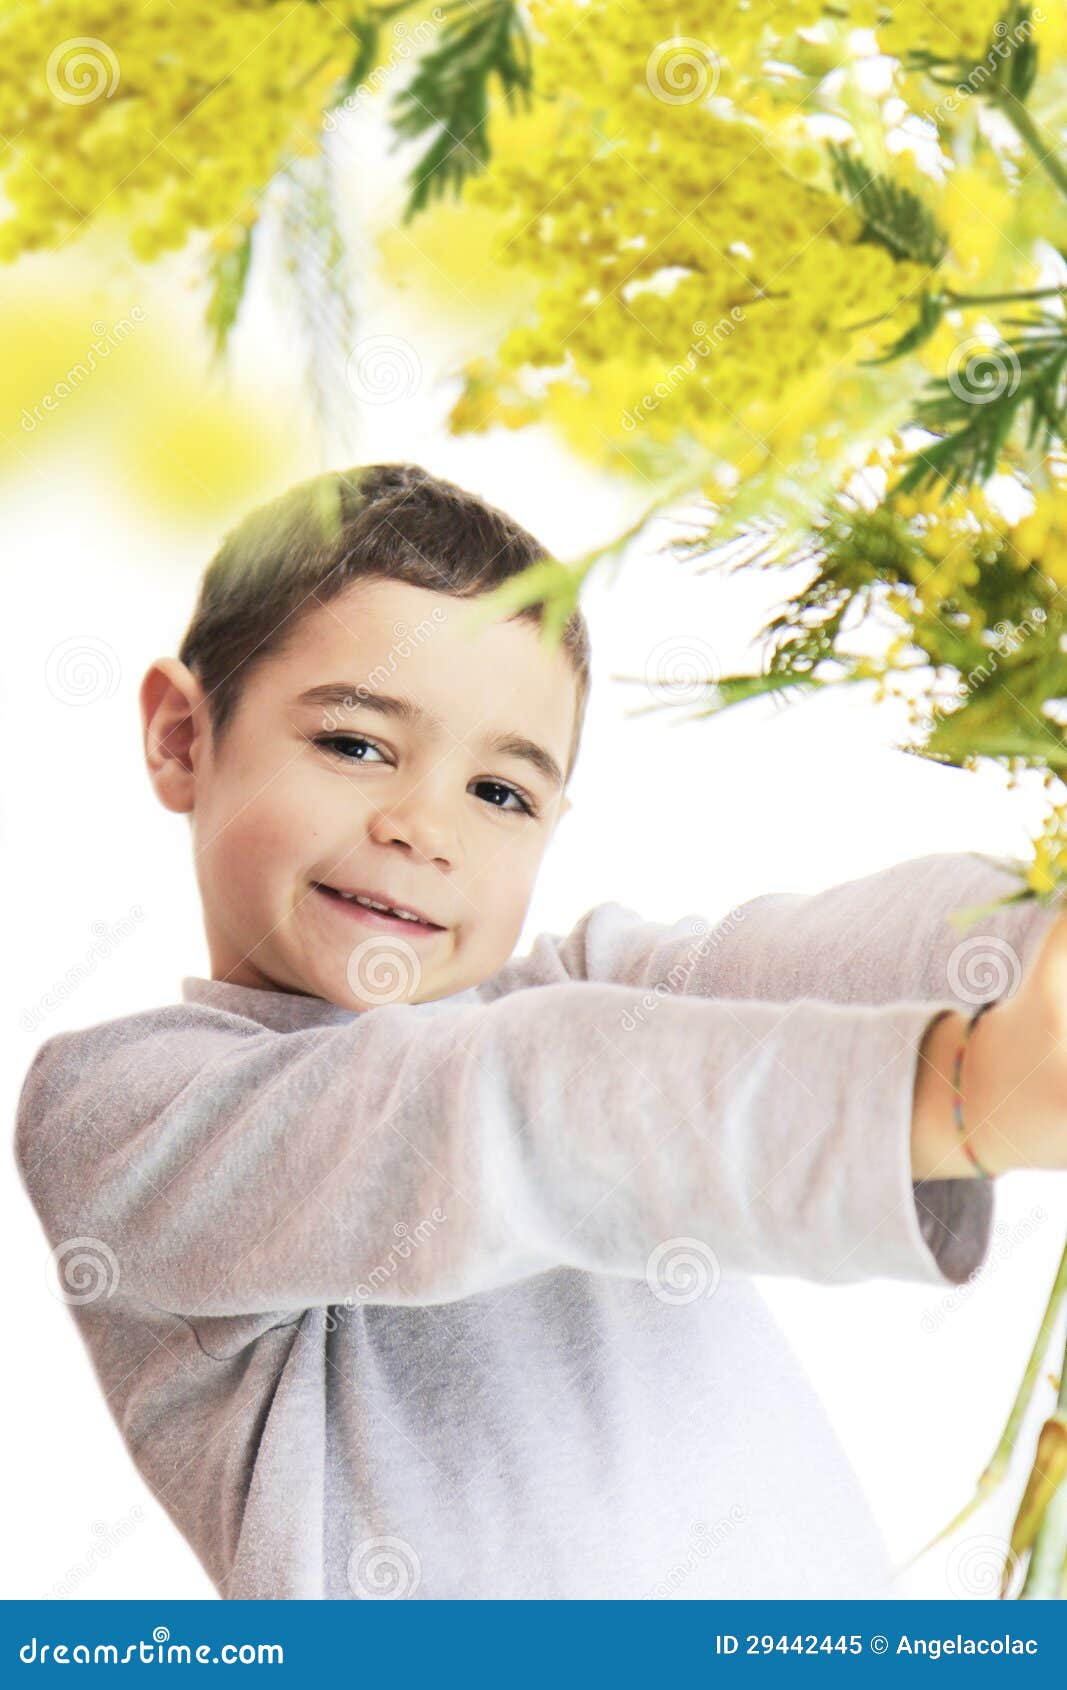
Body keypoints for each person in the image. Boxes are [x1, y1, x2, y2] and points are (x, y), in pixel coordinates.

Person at [14, 461, 1066, 1600]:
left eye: (499, 793)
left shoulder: (574, 994)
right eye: (355, 744)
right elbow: (505, 1110)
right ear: (182, 735)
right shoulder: (121, 1110)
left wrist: (1032, 929)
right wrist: (961, 1092)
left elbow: (810, 958)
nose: (423, 828)